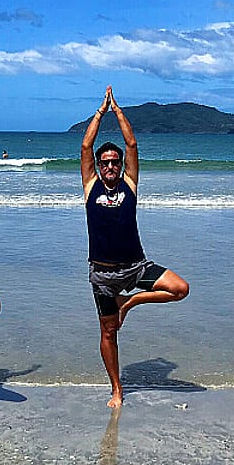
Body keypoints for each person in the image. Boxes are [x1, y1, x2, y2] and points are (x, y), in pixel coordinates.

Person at [81, 86, 189, 407]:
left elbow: (132, 143)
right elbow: (86, 144)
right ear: (99, 166)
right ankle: (117, 388)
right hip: (102, 275)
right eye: (106, 163)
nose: (111, 166)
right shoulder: (90, 186)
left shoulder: (130, 185)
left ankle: (129, 303)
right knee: (108, 333)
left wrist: (118, 111)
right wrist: (100, 112)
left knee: (179, 288)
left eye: (115, 162)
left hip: (136, 267)